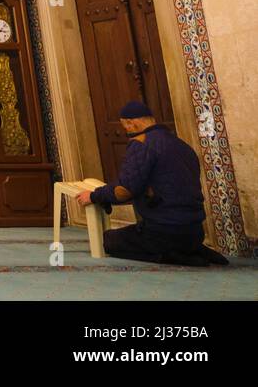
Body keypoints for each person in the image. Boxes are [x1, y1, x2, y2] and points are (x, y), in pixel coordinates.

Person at [74, 100, 228, 266]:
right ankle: (192, 248)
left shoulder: (141, 143)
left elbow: (124, 190)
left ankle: (175, 256)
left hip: (163, 230)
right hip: (195, 230)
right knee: (170, 236)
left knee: (109, 241)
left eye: (125, 126)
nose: (126, 131)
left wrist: (94, 195)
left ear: (131, 123)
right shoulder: (181, 145)